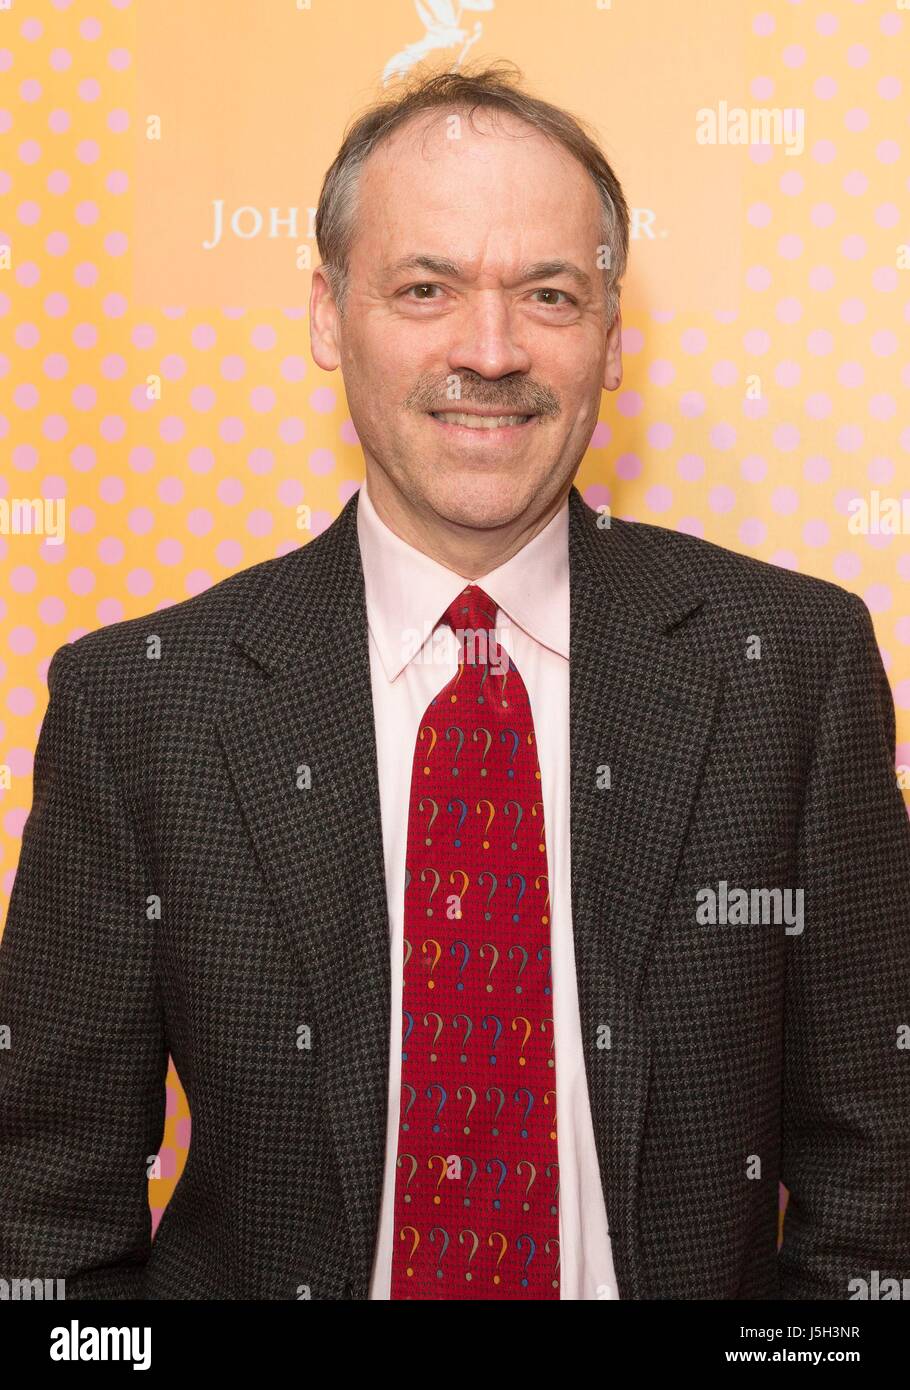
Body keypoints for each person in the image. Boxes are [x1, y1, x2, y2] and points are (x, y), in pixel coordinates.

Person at [1, 62, 908, 1301]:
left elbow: (878, 1178)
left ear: (609, 329)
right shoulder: (144, 703)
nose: (490, 352)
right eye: (424, 288)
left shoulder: (791, 670)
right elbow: (46, 1215)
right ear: (327, 313)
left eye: (548, 293)